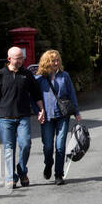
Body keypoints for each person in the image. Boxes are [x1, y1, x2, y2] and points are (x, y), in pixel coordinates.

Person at [0, 46, 45, 190]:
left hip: (23, 116)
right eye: (18, 58)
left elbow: (36, 93)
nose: (21, 60)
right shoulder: (0, 74)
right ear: (9, 59)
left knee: (25, 144)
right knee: (8, 148)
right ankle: (11, 177)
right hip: (5, 117)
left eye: (22, 58)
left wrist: (41, 110)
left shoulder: (27, 74)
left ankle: (22, 170)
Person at [35, 49, 81, 186]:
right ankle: (48, 163)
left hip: (62, 115)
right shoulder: (39, 78)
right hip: (47, 116)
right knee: (48, 146)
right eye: (53, 60)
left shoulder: (64, 76)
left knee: (60, 146)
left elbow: (72, 94)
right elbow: (34, 97)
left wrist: (76, 112)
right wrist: (38, 111)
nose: (56, 63)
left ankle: (58, 174)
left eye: (57, 60)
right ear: (46, 62)